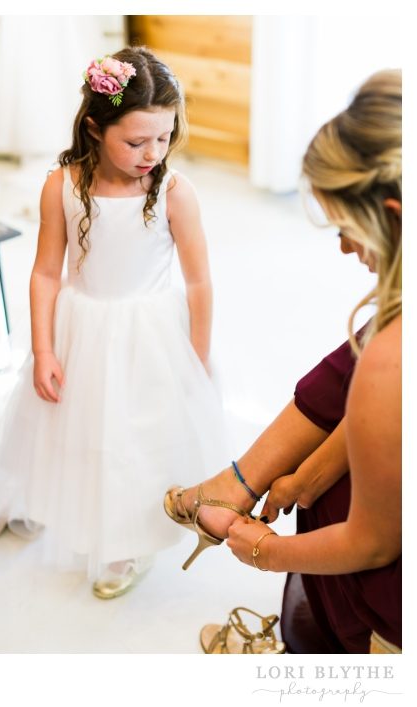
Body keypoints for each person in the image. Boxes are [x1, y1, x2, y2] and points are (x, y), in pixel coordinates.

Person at [164, 69, 401, 653]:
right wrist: (310, 471)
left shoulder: (393, 358)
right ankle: (237, 484)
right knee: (316, 479)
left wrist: (262, 552)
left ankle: (355, 654)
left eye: (347, 229)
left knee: (327, 510)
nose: (344, 248)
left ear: (394, 214)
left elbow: (375, 544)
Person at [0, 47, 226, 599]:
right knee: (81, 432)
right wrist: (43, 349)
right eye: (136, 141)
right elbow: (45, 273)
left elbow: (199, 282)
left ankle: (128, 541)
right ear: (94, 128)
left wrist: (197, 355)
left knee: (137, 438)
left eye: (163, 138)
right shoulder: (62, 185)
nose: (152, 153)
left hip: (148, 334)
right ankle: (78, 512)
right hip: (82, 328)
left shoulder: (173, 193)